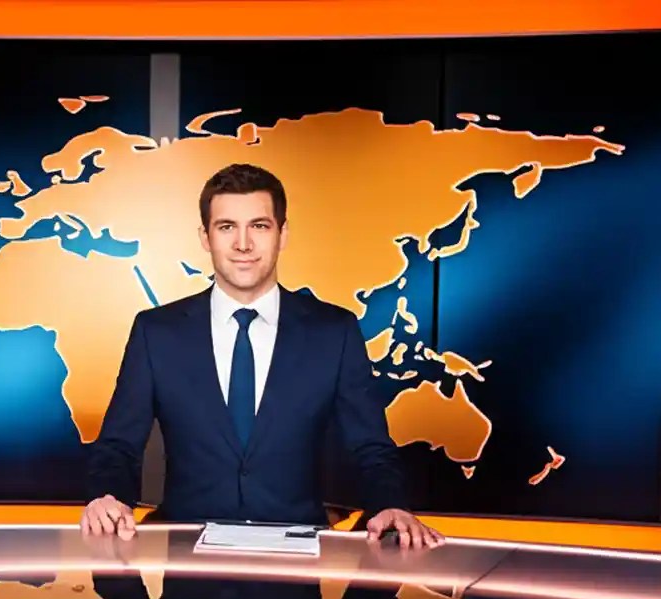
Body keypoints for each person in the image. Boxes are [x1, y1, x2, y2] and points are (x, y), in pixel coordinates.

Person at [81, 163, 443, 550]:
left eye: (259, 226)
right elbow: (118, 446)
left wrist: (389, 505)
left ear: (282, 234)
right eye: (226, 227)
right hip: (189, 569)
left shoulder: (334, 332)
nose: (243, 244)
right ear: (205, 237)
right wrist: (109, 496)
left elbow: (370, 447)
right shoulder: (156, 332)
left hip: (296, 571)